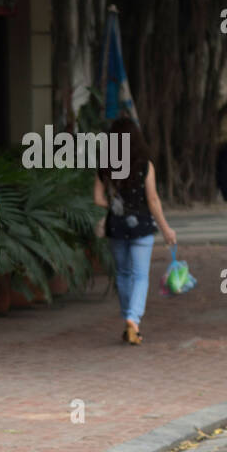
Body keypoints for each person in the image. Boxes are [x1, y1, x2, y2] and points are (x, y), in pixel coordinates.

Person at [92, 116, 177, 345]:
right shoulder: (145, 165)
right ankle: (133, 319)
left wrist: (114, 205)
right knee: (140, 275)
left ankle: (129, 321)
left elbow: (97, 198)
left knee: (123, 274)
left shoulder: (106, 164)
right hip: (141, 226)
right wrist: (166, 229)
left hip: (116, 226)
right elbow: (153, 200)